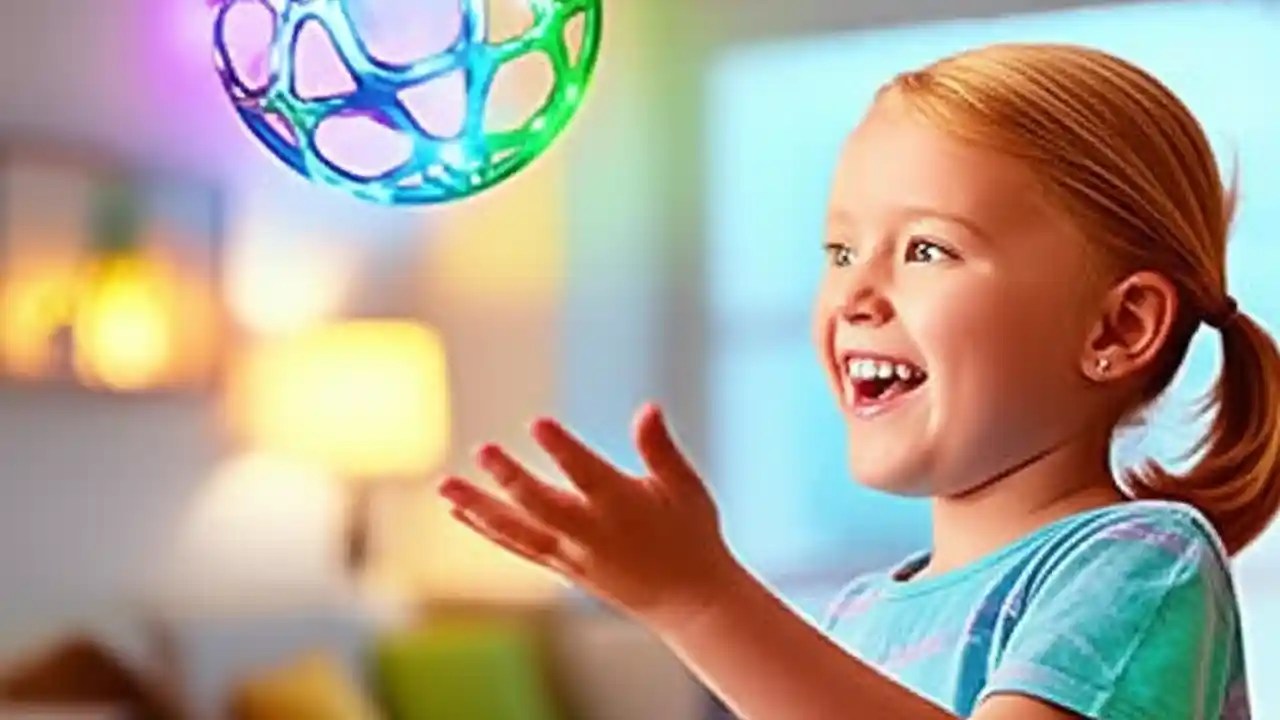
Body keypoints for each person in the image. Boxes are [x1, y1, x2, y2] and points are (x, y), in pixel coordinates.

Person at [437, 42, 1280, 719]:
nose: (855, 295)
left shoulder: (1141, 564)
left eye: (926, 249)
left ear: (1118, 327)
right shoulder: (858, 618)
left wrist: (701, 601)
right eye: (839, 252)